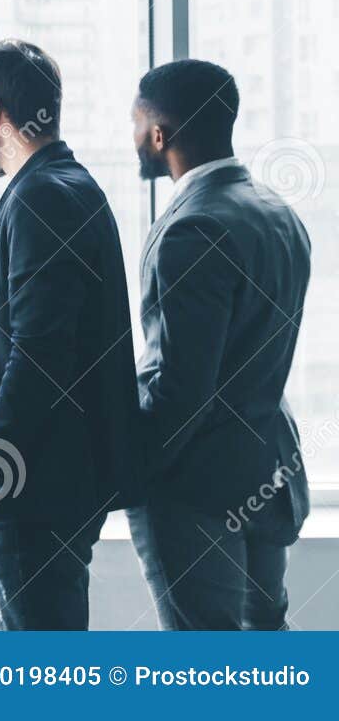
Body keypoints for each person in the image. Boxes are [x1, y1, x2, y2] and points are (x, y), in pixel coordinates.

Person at [0, 40, 140, 630]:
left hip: (33, 486)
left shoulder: (42, 196)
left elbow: (39, 350)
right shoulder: (66, 185)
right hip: (53, 481)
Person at [127, 60, 310, 630]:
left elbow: (183, 388)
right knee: (266, 635)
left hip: (197, 485)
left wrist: (133, 470)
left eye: (136, 124)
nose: (134, 137)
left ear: (159, 134)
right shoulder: (279, 213)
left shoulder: (192, 227)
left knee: (203, 658)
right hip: (268, 466)